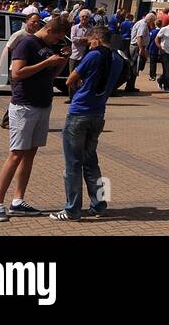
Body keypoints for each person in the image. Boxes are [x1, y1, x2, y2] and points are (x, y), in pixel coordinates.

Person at [0, 15, 70, 221]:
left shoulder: (46, 45)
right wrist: (47, 62)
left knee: (30, 154)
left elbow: (51, 75)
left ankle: (18, 200)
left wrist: (62, 60)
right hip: (24, 106)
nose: (57, 42)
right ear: (51, 30)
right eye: (58, 37)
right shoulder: (26, 43)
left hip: (43, 104)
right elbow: (17, 74)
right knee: (16, 154)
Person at [51, 25, 124, 221]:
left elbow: (70, 79)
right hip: (99, 113)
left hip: (80, 113)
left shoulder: (94, 55)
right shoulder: (117, 58)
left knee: (73, 164)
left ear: (98, 38)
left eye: (90, 40)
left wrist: (79, 83)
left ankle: (72, 210)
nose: (89, 44)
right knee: (92, 162)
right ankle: (100, 204)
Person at [0, 7, 44, 128]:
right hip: (15, 70)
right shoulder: (19, 35)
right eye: (33, 21)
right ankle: (7, 120)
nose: (35, 24)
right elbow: (7, 49)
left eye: (38, 21)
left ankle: (21, 120)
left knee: (25, 94)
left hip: (30, 70)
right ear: (27, 22)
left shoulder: (39, 36)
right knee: (17, 94)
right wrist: (0, 66)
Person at [68, 9, 92, 75]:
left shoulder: (91, 29)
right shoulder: (74, 28)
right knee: (72, 76)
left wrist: (79, 40)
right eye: (83, 16)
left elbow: (91, 41)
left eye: (87, 17)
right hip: (74, 56)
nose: (84, 18)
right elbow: (73, 39)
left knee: (82, 76)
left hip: (85, 57)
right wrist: (85, 39)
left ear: (89, 18)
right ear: (79, 17)